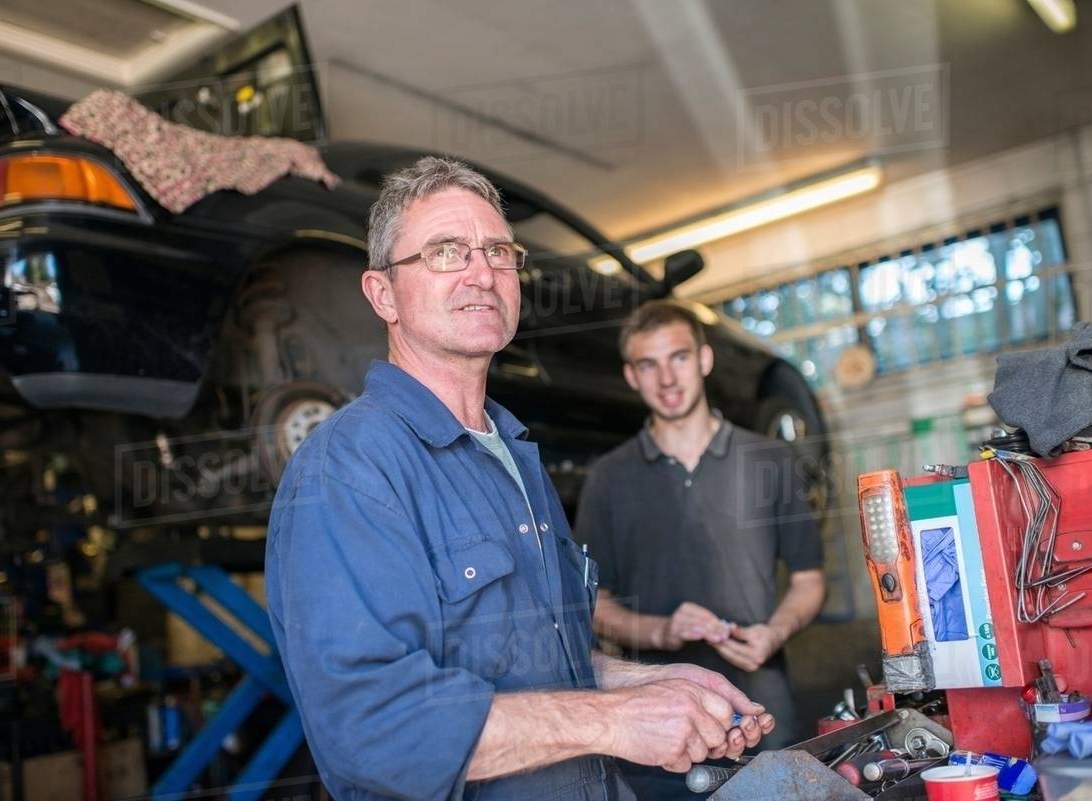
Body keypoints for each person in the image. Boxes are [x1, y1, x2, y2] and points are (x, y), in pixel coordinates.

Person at [264, 157, 774, 801]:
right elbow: (374, 730)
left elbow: (533, 663)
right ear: (382, 294)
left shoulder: (513, 456)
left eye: (499, 252)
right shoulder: (351, 467)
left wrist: (650, 687)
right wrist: (616, 721)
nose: (482, 273)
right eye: (446, 252)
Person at [574, 299, 826, 798]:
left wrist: (775, 632)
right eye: (649, 364)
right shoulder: (608, 479)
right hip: (659, 729)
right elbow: (594, 607)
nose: (667, 378)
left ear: (705, 360)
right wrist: (661, 630)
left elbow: (809, 580)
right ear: (631, 376)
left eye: (679, 358)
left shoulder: (769, 460)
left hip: (763, 716)